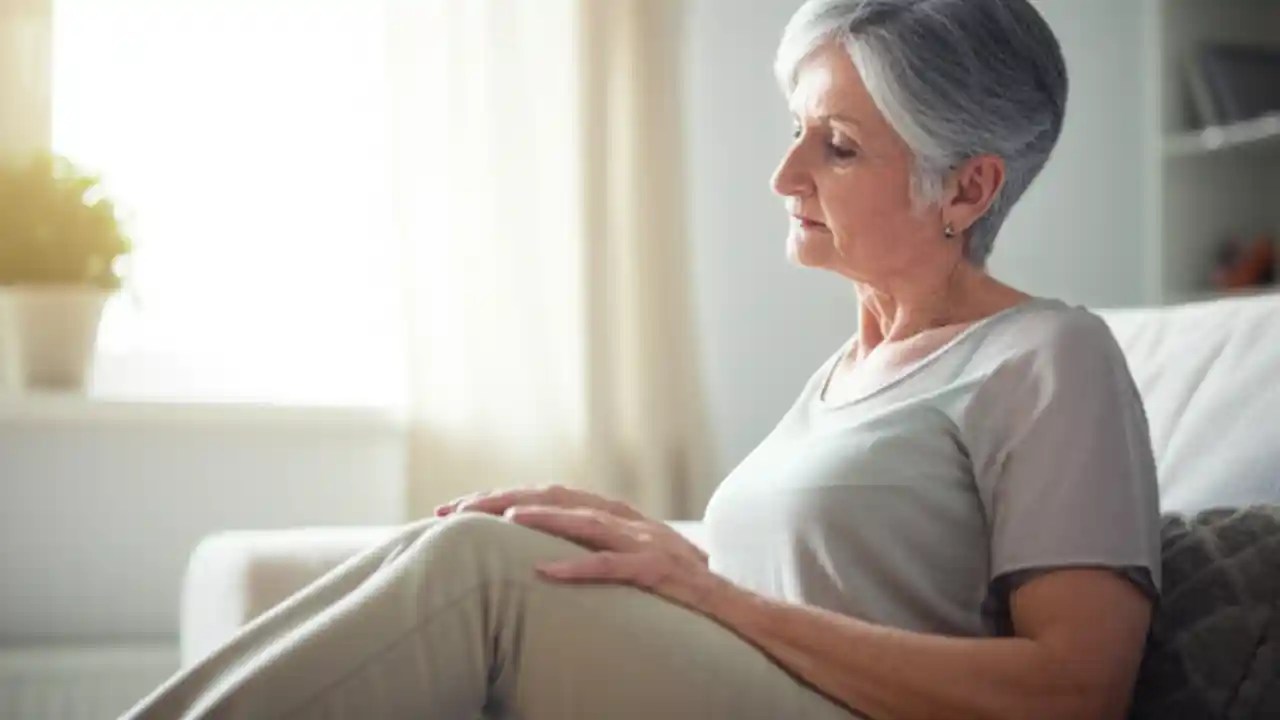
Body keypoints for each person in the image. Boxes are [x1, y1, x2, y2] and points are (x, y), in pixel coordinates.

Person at [125, 0, 1160, 717]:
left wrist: (707, 593)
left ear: (967, 190)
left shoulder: (1046, 356)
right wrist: (666, 552)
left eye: (835, 147)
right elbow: (836, 596)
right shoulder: (847, 370)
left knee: (480, 574)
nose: (782, 173)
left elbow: (1072, 693)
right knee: (471, 541)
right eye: (795, 130)